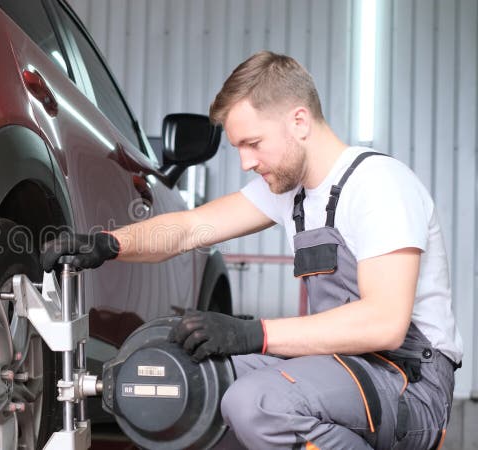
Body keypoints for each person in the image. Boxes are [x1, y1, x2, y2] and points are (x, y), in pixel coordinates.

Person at [40, 51, 463, 449]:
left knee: (255, 403)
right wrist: (108, 244)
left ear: (299, 121)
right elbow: (189, 229)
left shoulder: (378, 185)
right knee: (192, 384)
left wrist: (251, 334)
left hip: (408, 382)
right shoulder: (292, 193)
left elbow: (383, 323)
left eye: (253, 143)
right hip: (341, 367)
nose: (245, 162)